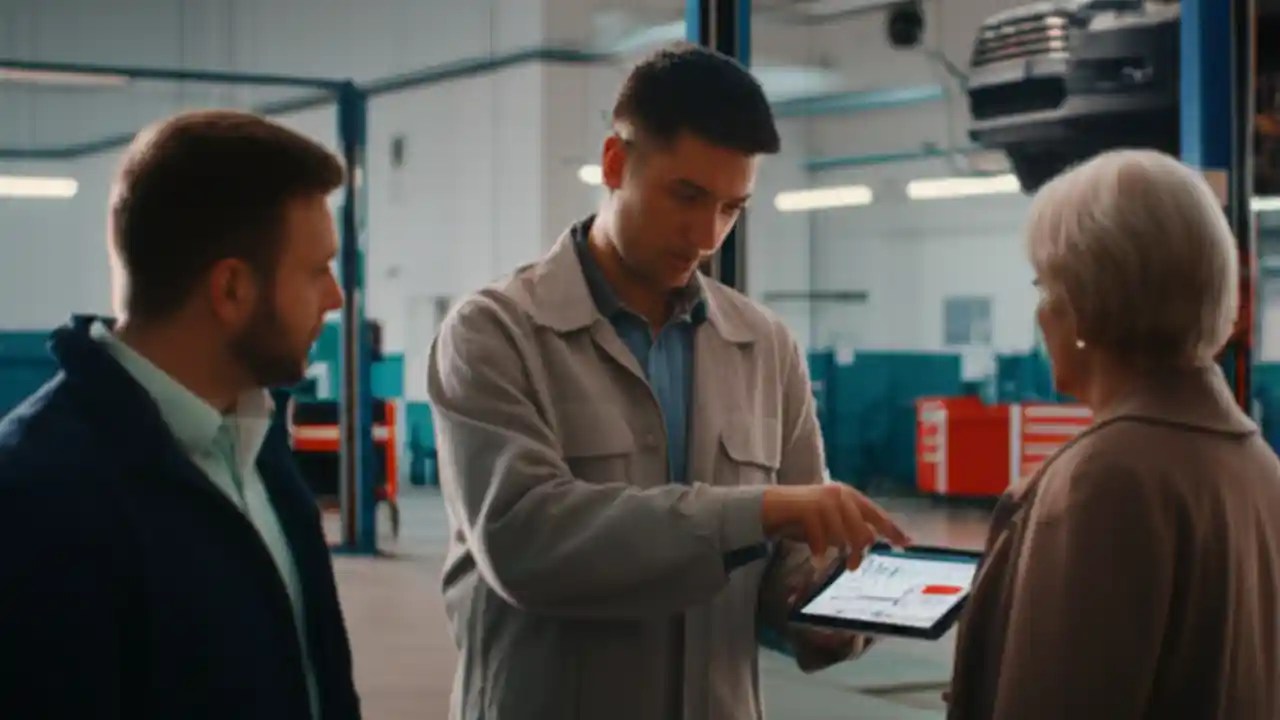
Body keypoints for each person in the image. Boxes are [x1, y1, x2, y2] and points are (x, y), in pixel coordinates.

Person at [428, 42, 909, 720]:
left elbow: (789, 570)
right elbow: (523, 541)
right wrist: (759, 509)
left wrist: (829, 615)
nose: (705, 235)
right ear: (616, 164)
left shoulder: (764, 348)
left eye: (730, 208)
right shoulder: (497, 334)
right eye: (686, 196)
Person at [0, 110, 361, 720]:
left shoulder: (255, 441)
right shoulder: (37, 494)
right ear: (231, 290)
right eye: (317, 269)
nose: (335, 297)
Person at [946, 149, 1280, 719]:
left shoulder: (1101, 480)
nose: (1041, 314)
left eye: (1044, 286)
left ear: (1083, 303)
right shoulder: (1256, 465)